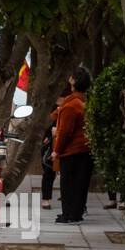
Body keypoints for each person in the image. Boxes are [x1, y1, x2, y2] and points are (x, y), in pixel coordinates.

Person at [53, 67, 93, 223]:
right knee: (81, 185)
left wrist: (57, 151)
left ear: (74, 82)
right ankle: (76, 214)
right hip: (86, 149)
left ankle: (67, 214)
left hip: (72, 151)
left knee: (68, 184)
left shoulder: (71, 105)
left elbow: (65, 132)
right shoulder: (85, 101)